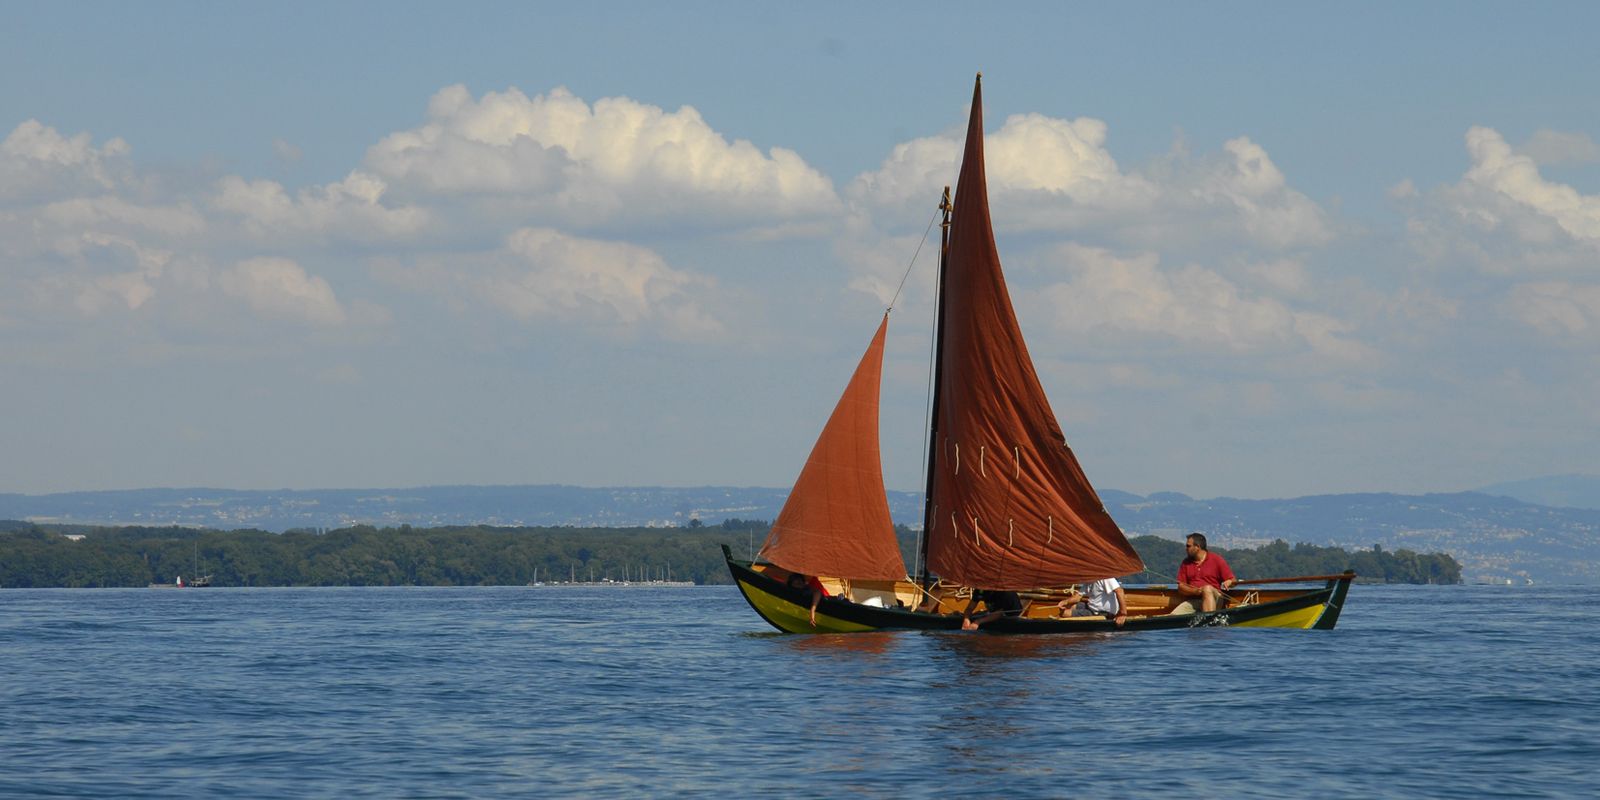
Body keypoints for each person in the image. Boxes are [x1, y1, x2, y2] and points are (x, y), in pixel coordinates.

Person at [1177, 532, 1236, 612]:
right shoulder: (1186, 563)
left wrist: (1229, 582)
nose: (1186, 548)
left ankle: (1209, 621)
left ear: (1197, 547)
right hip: (1194, 601)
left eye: (1188, 546)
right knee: (1171, 617)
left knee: (1207, 589)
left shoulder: (1216, 560)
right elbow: (1181, 587)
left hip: (1215, 599)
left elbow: (1233, 580)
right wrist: (1196, 591)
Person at [1058, 577, 1129, 627]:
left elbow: (1119, 591)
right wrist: (1065, 602)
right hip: (1091, 607)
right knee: (1070, 606)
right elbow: (1077, 597)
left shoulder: (1106, 578)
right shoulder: (1089, 581)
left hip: (1101, 612)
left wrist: (1122, 613)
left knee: (1064, 614)